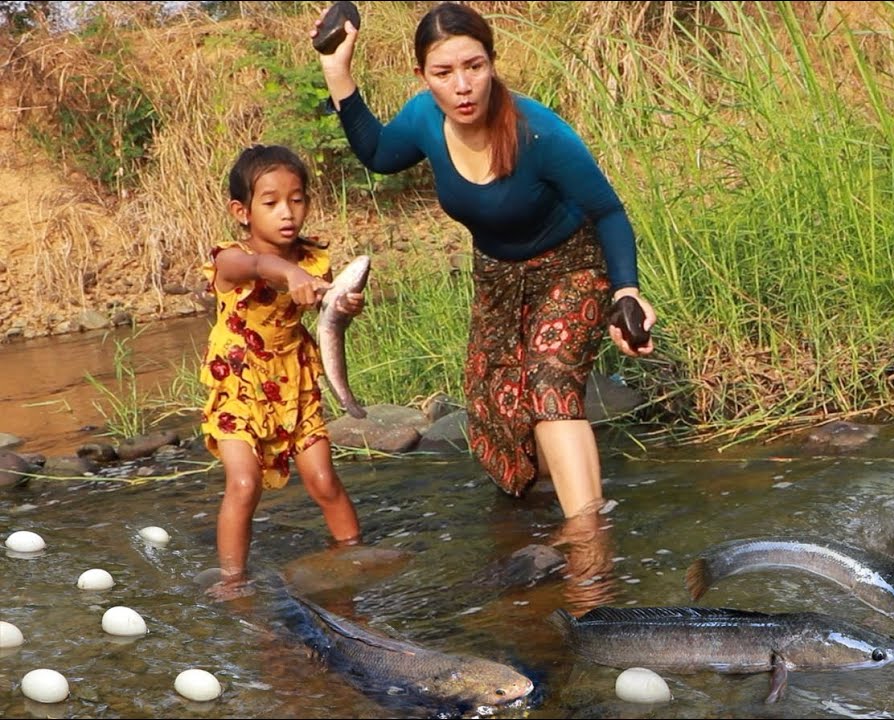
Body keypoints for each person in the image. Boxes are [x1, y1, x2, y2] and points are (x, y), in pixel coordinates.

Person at [311, 2, 657, 523]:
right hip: (496, 277)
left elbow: (607, 211)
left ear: (493, 63)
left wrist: (625, 292)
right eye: (443, 73)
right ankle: (540, 517)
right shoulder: (424, 119)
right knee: (497, 414)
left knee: (550, 382)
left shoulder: (540, 134)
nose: (462, 86)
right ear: (423, 76)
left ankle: (589, 539)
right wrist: (337, 70)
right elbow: (380, 155)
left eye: (474, 66)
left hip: (572, 265)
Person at [198, 144, 365, 599]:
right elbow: (257, 266)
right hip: (239, 382)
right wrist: (288, 276)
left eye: (297, 199)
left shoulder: (314, 261)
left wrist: (344, 306)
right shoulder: (229, 259)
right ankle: (233, 582)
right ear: (242, 212)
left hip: (295, 380)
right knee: (245, 482)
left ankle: (353, 556)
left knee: (324, 480)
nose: (287, 212)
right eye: (270, 203)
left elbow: (329, 314)